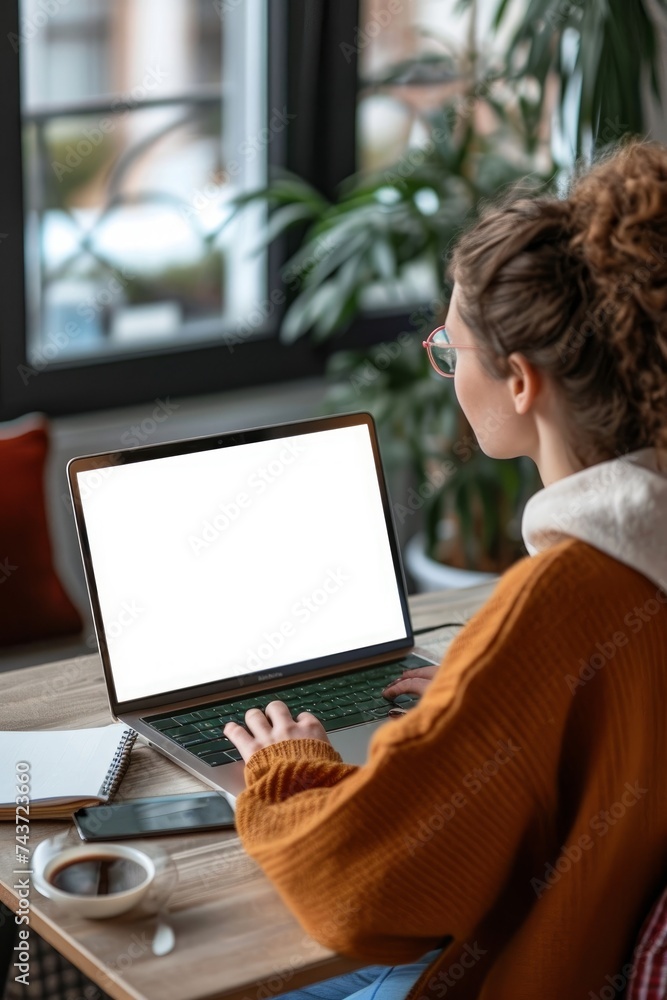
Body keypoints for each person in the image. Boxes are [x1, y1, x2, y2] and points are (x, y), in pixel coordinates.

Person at [224, 140, 667, 999]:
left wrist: (290, 767)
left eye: (450, 346)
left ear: (520, 384)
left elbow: (365, 889)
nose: (442, 363)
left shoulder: (561, 598)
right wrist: (493, 706)